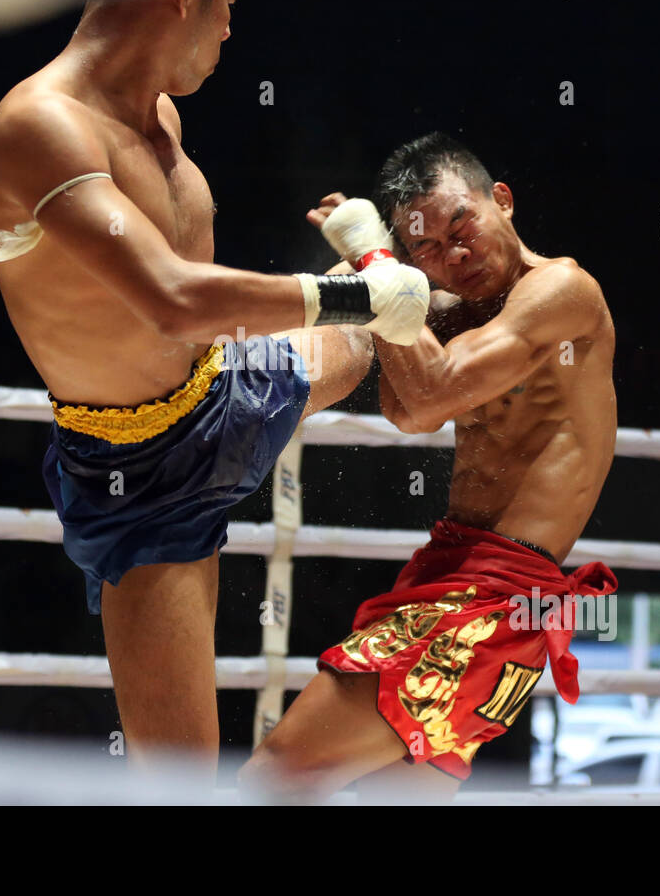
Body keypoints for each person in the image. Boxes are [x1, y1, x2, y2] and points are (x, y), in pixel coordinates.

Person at [0, 0, 429, 776]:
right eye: (228, 7)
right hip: (140, 472)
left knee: (355, 352)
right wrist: (357, 299)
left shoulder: (160, 116)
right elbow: (171, 296)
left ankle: (366, 259)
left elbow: (201, 307)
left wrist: (367, 278)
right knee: (179, 777)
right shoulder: (43, 126)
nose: (228, 30)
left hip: (225, 384)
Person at [239, 132, 619, 801]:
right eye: (428, 249)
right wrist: (384, 280)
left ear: (501, 200)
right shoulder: (452, 315)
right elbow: (410, 411)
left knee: (275, 778)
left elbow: (435, 392)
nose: (456, 255)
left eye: (461, 225)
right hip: (455, 580)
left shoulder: (564, 289)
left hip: (488, 599)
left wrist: (375, 259)